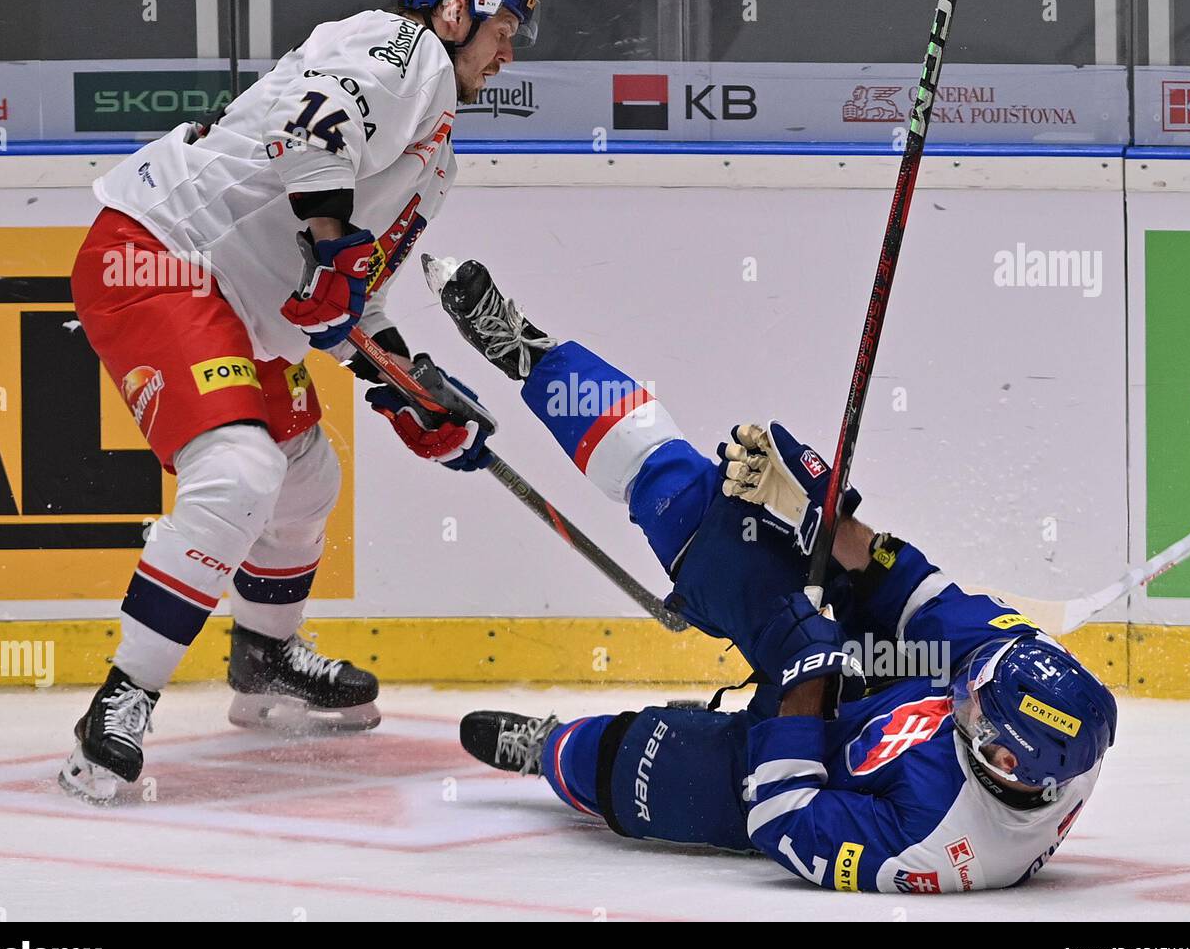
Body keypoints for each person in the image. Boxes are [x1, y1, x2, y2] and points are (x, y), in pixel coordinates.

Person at [424, 254, 1118, 892]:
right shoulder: (1024, 673)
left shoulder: (943, 845)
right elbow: (917, 596)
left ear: (1008, 769)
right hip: (862, 662)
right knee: (692, 505)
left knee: (623, 763)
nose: (964, 696)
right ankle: (532, 356)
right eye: (974, 691)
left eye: (974, 714)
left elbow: (784, 818)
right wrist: (826, 521)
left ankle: (548, 746)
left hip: (782, 762)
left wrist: (802, 678)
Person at [58, 0, 540, 804]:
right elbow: (309, 126)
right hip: (162, 255)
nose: (512, 49)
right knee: (240, 470)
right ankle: (120, 701)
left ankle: (264, 654)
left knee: (306, 476)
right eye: (507, 24)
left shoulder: (439, 157)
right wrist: (333, 247)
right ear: (455, 9)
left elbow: (357, 299)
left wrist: (410, 389)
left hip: (235, 298)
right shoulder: (403, 49)